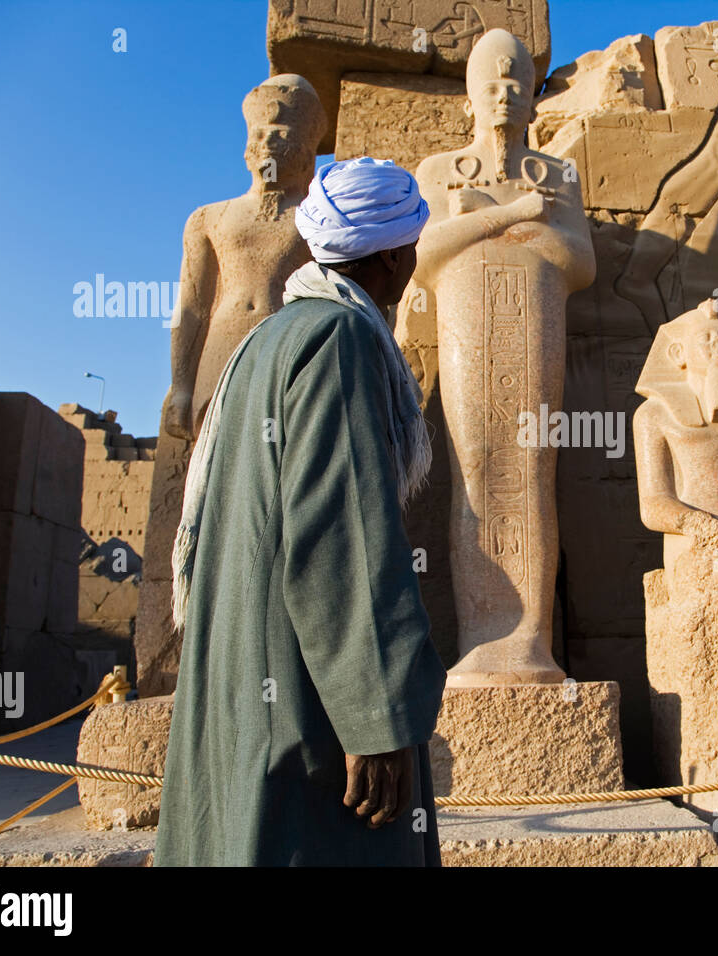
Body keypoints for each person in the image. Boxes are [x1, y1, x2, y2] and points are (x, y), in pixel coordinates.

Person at [154, 157, 446, 866]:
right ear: (396, 258)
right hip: (308, 702)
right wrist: (375, 718)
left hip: (254, 675)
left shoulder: (264, 341)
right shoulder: (338, 342)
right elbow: (341, 533)